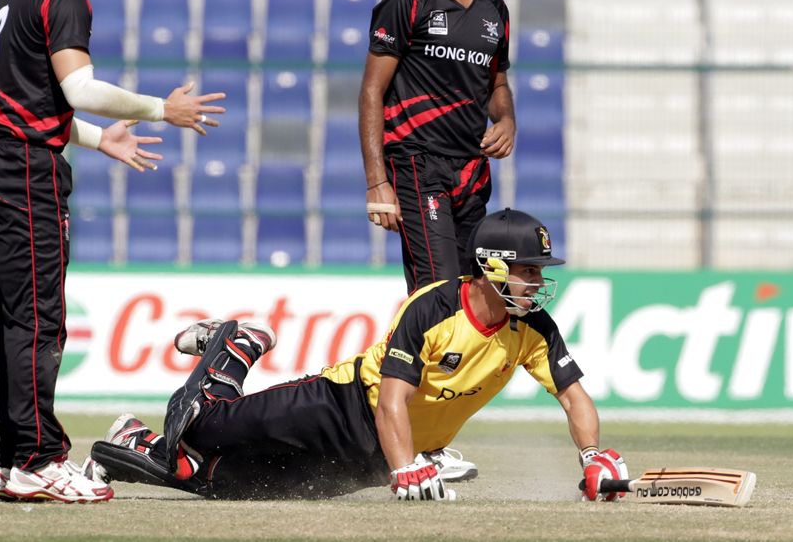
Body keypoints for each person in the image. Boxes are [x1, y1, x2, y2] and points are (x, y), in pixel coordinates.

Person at [0, 0, 226, 503]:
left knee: (8, 313)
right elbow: (78, 90)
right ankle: (37, 459)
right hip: (25, 170)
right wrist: (164, 109)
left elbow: (26, 100)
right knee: (40, 318)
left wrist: (99, 140)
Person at [89, 209, 626, 502]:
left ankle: (131, 444)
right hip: (341, 405)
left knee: (217, 482)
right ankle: (242, 340)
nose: (538, 281)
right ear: (493, 265)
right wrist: (407, 468)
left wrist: (592, 456)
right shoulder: (434, 308)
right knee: (199, 431)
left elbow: (574, 397)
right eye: (529, 270)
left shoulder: (534, 327)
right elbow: (392, 399)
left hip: (380, 454)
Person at [358, 0, 517, 482]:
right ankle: (415, 444)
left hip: (472, 172)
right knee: (436, 297)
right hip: (417, 165)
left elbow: (497, 82)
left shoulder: (496, 11)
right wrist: (378, 182)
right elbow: (372, 93)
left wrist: (508, 118)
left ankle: (430, 436)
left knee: (483, 294)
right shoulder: (405, 4)